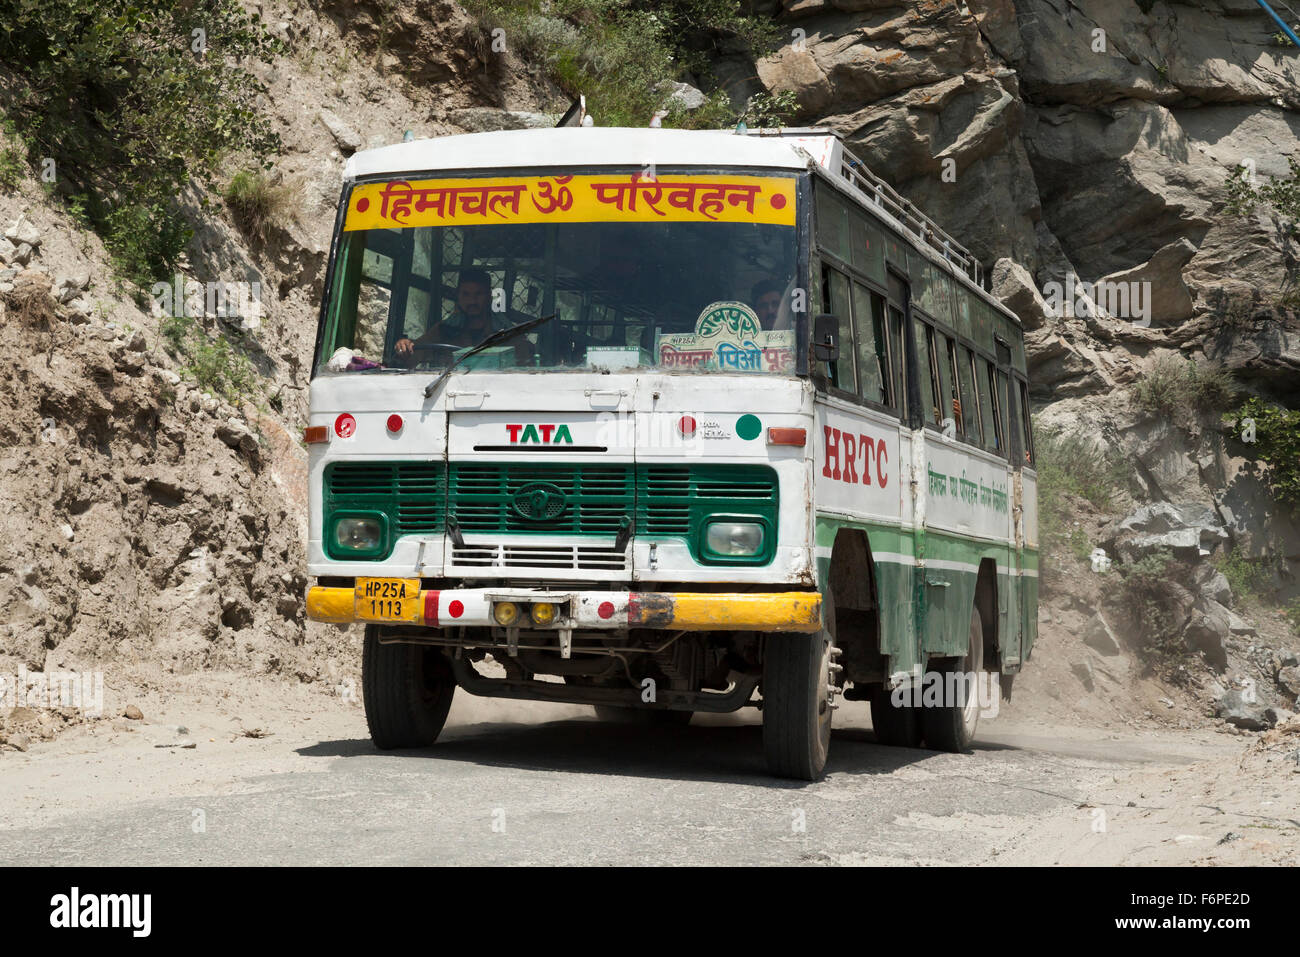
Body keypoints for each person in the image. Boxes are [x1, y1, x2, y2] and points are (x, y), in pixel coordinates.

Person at [395, 269, 496, 364]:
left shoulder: (502, 333)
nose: (472, 301)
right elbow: (413, 356)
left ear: (489, 296)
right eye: (465, 294)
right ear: (458, 296)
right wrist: (404, 347)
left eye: (479, 294)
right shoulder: (443, 330)